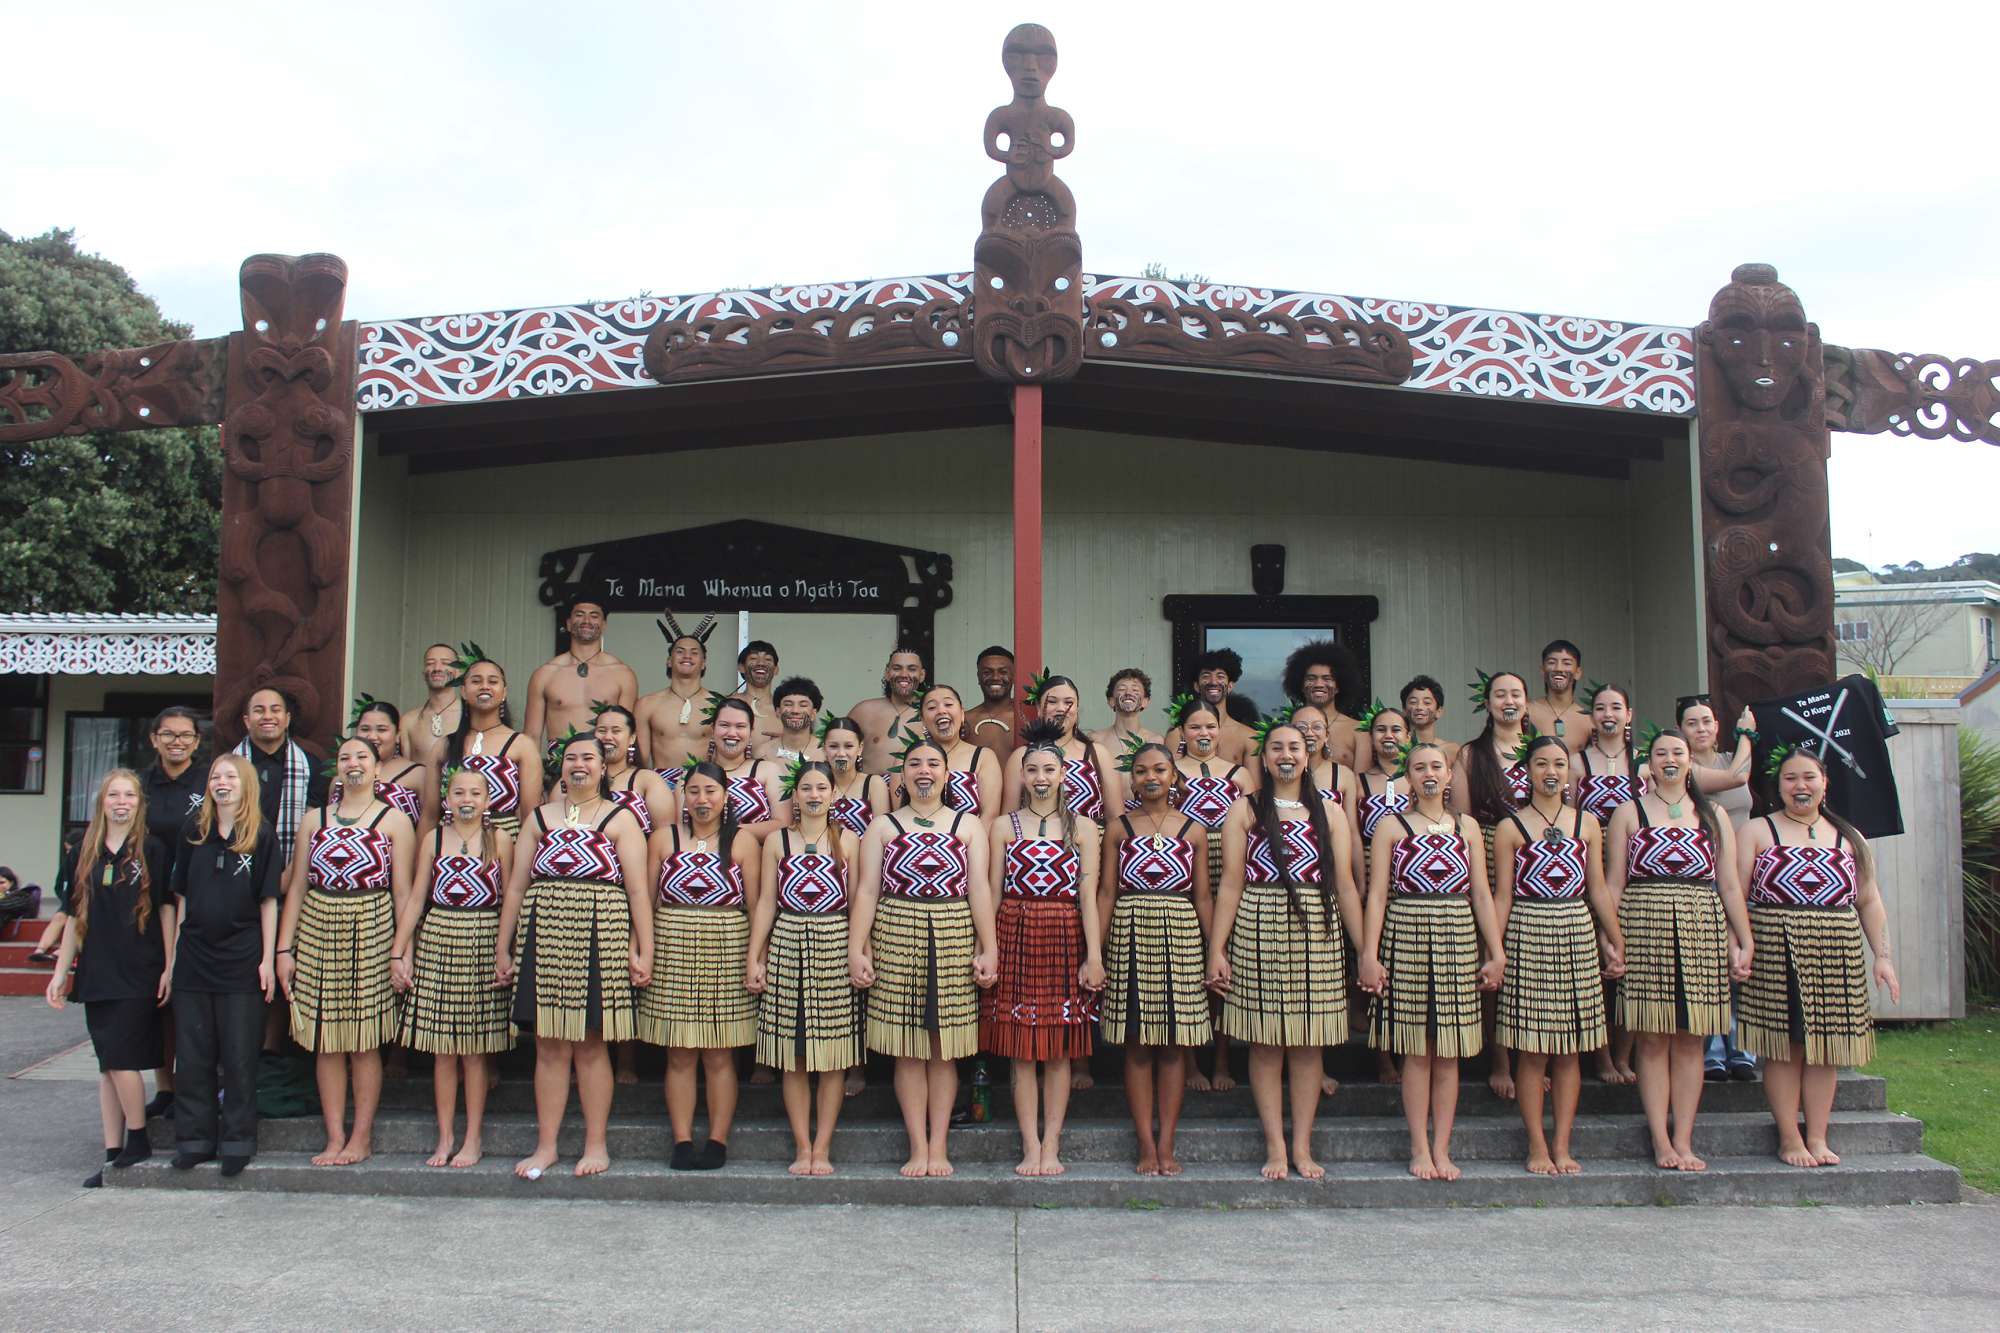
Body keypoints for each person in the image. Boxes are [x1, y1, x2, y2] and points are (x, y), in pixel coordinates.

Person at [1206, 722, 1360, 1181]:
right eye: (1277, 748)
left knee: (1309, 1044)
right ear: (1265, 758)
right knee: (1267, 1041)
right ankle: (1275, 1145)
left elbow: (1347, 885)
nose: (1286, 755)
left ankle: (1302, 1146)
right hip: (1259, 921)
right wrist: (1218, 948)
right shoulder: (1246, 809)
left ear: (1308, 754)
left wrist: (1364, 951)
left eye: (1295, 746)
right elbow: (1230, 883)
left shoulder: (1329, 812)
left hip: (1317, 926)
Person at [495, 733, 652, 1179]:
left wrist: (644, 948)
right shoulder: (539, 817)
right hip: (543, 931)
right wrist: (503, 947)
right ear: (560, 769)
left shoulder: (621, 818)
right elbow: (517, 886)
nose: (579, 765)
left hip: (599, 930)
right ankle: (546, 1145)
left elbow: (638, 889)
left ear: (604, 768)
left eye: (588, 758)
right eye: (571, 759)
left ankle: (595, 1144)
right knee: (547, 1042)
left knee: (589, 1042)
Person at [1737, 746, 1899, 1168]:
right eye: (1791, 779)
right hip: (1776, 946)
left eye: (1808, 777)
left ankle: (1819, 1135)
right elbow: (1733, 893)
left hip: (1836, 947)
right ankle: (1789, 1137)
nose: (1800, 786)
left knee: (1825, 1048)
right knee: (1784, 1048)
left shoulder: (1849, 837)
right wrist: (1738, 942)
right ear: (1779, 786)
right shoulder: (1758, 831)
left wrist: (1882, 956)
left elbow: (1869, 900)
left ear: (1824, 782)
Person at [1605, 729, 1754, 1171]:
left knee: (1691, 1037)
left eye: (1678, 753)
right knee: (1652, 1038)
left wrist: (1742, 938)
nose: (1669, 760)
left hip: (1700, 924)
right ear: (1648, 764)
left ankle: (1684, 1138)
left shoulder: (1713, 815)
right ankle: (1659, 1139)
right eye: (1660, 754)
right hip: (1644, 924)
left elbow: (1728, 883)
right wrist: (1610, 939)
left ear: (1691, 762)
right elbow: (1614, 884)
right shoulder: (1628, 813)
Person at [1358, 741, 1506, 1181]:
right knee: (1417, 1051)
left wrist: (1494, 950)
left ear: (1447, 776)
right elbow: (1378, 894)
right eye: (1419, 767)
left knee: (1449, 1051)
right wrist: (1369, 952)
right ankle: (1419, 1147)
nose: (1428, 773)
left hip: (1457, 935)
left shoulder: (1467, 827)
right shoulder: (1391, 826)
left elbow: (1481, 892)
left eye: (1435, 767)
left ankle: (1443, 1146)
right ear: (1409, 776)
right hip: (1406, 933)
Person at [849, 738, 997, 1177]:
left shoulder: (968, 825)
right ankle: (917, 1145)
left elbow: (979, 890)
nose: (924, 770)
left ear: (947, 775)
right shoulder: (883, 826)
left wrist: (987, 947)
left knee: (943, 1048)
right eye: (915, 763)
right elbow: (867, 890)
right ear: (902, 775)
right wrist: (858, 947)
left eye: (933, 763)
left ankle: (940, 1144)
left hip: (952, 933)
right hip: (897, 932)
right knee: (907, 1048)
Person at [275, 736, 417, 1167]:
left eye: (362, 758)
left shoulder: (394, 820)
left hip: (372, 927)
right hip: (319, 924)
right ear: (336, 769)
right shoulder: (313, 819)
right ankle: (334, 1134)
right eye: (345, 758)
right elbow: (297, 885)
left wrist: (400, 950)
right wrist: (285, 948)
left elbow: (404, 893)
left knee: (363, 1039)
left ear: (378, 770)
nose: (353, 764)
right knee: (326, 1038)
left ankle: (362, 1135)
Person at [1493, 737, 1625, 1175]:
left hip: (1576, 932)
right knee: (1532, 1050)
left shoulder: (1587, 823)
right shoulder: (1511, 827)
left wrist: (1614, 937)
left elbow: (1599, 889)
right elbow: (1503, 895)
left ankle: (1563, 1143)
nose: (1551, 771)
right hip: (1528, 932)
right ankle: (1536, 1144)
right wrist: (1495, 948)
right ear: (1526, 771)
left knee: (1570, 1050)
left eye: (1559, 764)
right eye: (1542, 763)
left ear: (1569, 772)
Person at [983, 723, 1104, 1176]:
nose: (1039, 777)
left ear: (1062, 775)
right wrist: (989, 948)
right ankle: (1029, 1144)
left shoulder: (1084, 828)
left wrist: (1094, 955)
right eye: (1032, 769)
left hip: (1064, 931)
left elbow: (1087, 896)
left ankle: (1052, 1142)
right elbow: (992, 893)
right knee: (1021, 1049)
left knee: (1057, 1048)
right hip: (1015, 929)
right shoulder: (1002, 825)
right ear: (1022, 776)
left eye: (1048, 769)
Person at [45, 769, 174, 1187]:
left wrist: (171, 964)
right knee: (106, 1065)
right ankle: (112, 1151)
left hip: (139, 969)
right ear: (102, 802)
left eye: (130, 795)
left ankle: (138, 1139)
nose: (121, 802)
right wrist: (61, 972)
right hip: (98, 971)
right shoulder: (83, 852)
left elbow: (168, 910)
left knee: (122, 1059)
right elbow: (73, 920)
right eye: (113, 795)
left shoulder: (153, 850)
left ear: (140, 803)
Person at [641, 761, 761, 1171]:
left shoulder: (742, 841)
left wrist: (753, 957)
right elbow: (647, 898)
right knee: (679, 1052)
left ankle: (717, 1139)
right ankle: (681, 1139)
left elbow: (756, 904)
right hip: (674, 943)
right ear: (683, 797)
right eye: (693, 791)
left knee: (718, 1053)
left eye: (710, 791)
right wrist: (643, 948)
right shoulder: (664, 837)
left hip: (725, 944)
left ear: (725, 796)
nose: (701, 799)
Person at [1101, 742, 1214, 1174]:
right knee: (1137, 1046)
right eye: (1143, 771)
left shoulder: (1194, 830)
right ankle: (1145, 1143)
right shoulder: (1118, 828)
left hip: (1181, 933)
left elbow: (1203, 895)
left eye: (1160, 770)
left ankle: (1167, 1141)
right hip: (1131, 930)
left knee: (1172, 1045)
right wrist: (1100, 950)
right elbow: (1107, 892)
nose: (1151, 777)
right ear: (1132, 779)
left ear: (1173, 777)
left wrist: (1213, 950)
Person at [394, 767, 515, 1168]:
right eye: (459, 792)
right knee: (444, 1051)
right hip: (440, 936)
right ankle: (445, 1136)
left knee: (474, 1050)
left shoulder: (500, 839)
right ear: (447, 799)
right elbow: (415, 898)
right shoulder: (433, 838)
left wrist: (506, 950)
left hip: (483, 937)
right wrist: (400, 950)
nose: (466, 799)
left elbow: (511, 898)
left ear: (487, 800)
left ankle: (473, 1136)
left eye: (475, 793)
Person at [748, 762, 864, 1175]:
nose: (814, 795)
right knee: (792, 1055)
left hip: (834, 943)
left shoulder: (848, 840)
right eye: (806, 789)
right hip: (787, 942)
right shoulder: (778, 840)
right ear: (794, 796)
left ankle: (823, 1146)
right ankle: (802, 1145)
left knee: (832, 1055)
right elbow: (765, 901)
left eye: (821, 788)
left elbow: (857, 902)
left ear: (834, 795)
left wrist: (859, 950)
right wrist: (755, 956)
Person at [169, 754, 281, 1178]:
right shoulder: (192, 832)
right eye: (216, 776)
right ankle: (194, 1140)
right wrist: (175, 955)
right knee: (194, 1054)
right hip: (195, 957)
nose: (222, 782)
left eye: (231, 776)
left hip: (242, 957)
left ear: (245, 784)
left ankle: (237, 1140)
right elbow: (180, 896)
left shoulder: (262, 835)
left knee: (237, 1054)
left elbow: (269, 900)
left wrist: (267, 960)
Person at [1164, 696, 1252, 1095]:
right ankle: (1187, 1060)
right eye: (1195, 727)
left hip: (1228, 867)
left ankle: (1220, 1058)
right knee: (1184, 967)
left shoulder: (1238, 774)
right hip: (1183, 870)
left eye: (1210, 726)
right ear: (1181, 732)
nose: (1204, 733)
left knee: (1221, 964)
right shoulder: (1168, 771)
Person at [1450, 669, 1531, 1098]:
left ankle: (1533, 1055)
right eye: (1500, 694)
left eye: (1515, 693)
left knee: (1531, 956)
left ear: (1526, 701)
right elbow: (1462, 818)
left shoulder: (1541, 751)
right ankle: (1498, 1058)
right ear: (1488, 703)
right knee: (1491, 948)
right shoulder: (1471, 754)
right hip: (1485, 852)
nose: (1508, 701)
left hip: (1534, 855)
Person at [138, 705, 204, 1119]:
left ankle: (194, 1085)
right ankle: (165, 1085)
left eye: (185, 735)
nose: (177, 742)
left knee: (190, 1000)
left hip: (197, 903)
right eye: (169, 734)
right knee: (156, 1000)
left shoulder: (209, 780)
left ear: (197, 742)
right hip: (147, 904)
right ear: (154, 739)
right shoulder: (141, 784)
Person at [1353, 705, 1413, 1085]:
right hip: (1373, 875)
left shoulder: (1422, 777)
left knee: (1405, 970)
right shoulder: (1359, 781)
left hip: (1411, 882)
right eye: (1380, 730)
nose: (1388, 736)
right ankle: (1382, 1057)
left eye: (1396, 729)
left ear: (1408, 736)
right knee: (1375, 962)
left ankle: (1410, 1052)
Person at [1003, 675, 1123, 827]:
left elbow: (1116, 819)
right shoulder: (1021, 756)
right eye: (1052, 702)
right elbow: (1008, 819)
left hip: (1090, 846)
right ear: (1039, 709)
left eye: (1068, 703)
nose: (1061, 708)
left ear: (1077, 709)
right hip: (1037, 846)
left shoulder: (1097, 754)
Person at [441, 657, 542, 838]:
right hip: (449, 844)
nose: (485, 686)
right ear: (463, 691)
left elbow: (530, 816)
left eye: (493, 682)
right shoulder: (445, 744)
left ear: (504, 692)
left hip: (504, 847)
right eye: (476, 681)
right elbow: (429, 814)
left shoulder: (522, 745)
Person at [525, 599, 638, 755]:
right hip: (559, 765)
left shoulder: (622, 674)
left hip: (606, 764)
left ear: (604, 625)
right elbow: (531, 736)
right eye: (580, 615)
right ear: (569, 623)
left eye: (594, 615)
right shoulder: (545, 674)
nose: (586, 620)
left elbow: (625, 733)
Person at [233, 686, 329, 867]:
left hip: (291, 869)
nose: (268, 716)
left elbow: (312, 828)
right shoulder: (228, 768)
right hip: (235, 869)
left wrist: (291, 874)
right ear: (247, 721)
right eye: (259, 710)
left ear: (287, 719)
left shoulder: (311, 765)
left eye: (275, 710)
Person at [637, 619, 723, 772]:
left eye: (694, 653)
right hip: (660, 782)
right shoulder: (647, 704)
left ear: (703, 663)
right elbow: (641, 759)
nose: (687, 656)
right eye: (680, 651)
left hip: (705, 781)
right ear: (669, 661)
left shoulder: (718, 704)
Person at [909, 684, 1003, 822]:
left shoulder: (984, 757)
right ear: (923, 720)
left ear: (962, 713)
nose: (941, 711)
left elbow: (990, 815)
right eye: (931, 707)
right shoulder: (907, 759)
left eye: (948, 704)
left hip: (971, 841)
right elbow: (900, 813)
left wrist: (970, 842)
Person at [706, 697, 789, 842]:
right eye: (724, 725)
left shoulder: (768, 771)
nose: (732, 733)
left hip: (755, 857)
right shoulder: (693, 774)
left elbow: (783, 823)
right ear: (713, 729)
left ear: (751, 732)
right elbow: (680, 827)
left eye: (740, 726)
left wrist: (728, 831)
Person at [350, 698, 434, 830]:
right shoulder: (342, 776)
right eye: (365, 729)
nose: (372, 736)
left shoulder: (418, 775)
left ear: (397, 735)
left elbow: (429, 821)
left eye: (381, 730)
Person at [596, 705, 677, 838]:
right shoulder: (581, 778)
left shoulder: (648, 780)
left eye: (616, 731)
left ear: (632, 738)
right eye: (602, 730)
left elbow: (665, 836)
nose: (608, 737)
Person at [1282, 640, 1364, 768]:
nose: (1319, 684)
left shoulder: (1358, 731)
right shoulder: (1285, 729)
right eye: (1311, 678)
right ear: (1301, 685)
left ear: (1339, 686)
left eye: (1327, 679)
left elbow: (1361, 784)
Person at [1681, 694, 1758, 827]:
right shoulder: (1684, 769)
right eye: (1692, 724)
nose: (1701, 729)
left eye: (1707, 721)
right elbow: (1738, 777)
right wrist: (1745, 733)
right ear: (1680, 730)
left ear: (1716, 726)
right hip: (1710, 846)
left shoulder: (1731, 760)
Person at [1165, 650, 1254, 763]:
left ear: (1230, 686)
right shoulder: (1179, 735)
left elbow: (1252, 781)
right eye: (1206, 676)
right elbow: (1173, 776)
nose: (1213, 682)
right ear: (1196, 686)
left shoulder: (1248, 737)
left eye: (1220, 676)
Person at [847, 648, 926, 774]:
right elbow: (837, 748)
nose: (904, 674)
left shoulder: (931, 714)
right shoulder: (863, 711)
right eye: (897, 668)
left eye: (911, 669)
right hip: (869, 790)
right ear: (887, 673)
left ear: (922, 675)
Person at [1359, 675, 1460, 773]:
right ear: (1404, 709)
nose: (1419, 707)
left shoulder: (1451, 750)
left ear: (1439, 711)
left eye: (1427, 702)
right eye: (1413, 702)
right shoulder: (1394, 748)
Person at [1572, 684, 1641, 825]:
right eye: (1600, 708)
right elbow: (1569, 815)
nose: (1608, 714)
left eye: (1616, 708)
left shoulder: (1645, 761)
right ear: (1592, 716)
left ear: (1629, 715)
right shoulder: (1576, 762)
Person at [400, 643, 463, 772]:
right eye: (430, 663)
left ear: (458, 672)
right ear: (424, 672)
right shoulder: (409, 720)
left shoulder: (470, 715)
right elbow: (405, 770)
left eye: (446, 663)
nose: (437, 668)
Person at [824, 718, 891, 839]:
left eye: (848, 746)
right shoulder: (817, 785)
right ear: (824, 748)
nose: (841, 753)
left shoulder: (873, 784)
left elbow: (882, 833)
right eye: (833, 746)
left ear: (860, 748)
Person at [1527, 639, 1591, 752]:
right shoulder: (1527, 712)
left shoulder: (1588, 720)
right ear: (1542, 671)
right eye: (1552, 662)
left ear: (1578, 673)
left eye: (1567, 663)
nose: (1559, 668)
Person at [964, 646, 1019, 758]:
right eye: (987, 672)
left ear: (1014, 676)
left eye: (1003, 672)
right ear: (978, 677)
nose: (995, 677)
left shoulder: (1026, 717)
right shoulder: (965, 720)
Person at [756, 677, 827, 763]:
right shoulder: (762, 753)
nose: (795, 710)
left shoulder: (827, 752)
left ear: (813, 713)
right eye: (788, 704)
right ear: (778, 711)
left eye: (803, 705)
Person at [1090, 668, 1162, 752]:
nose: (1128, 693)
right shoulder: (1096, 740)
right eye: (1122, 689)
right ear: (1111, 701)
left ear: (1145, 701)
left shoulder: (1155, 741)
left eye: (1135, 690)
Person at [731, 639, 786, 743]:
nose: (761, 663)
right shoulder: (727, 705)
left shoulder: (787, 709)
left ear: (776, 670)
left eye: (768, 659)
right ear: (741, 667)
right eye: (753, 658)